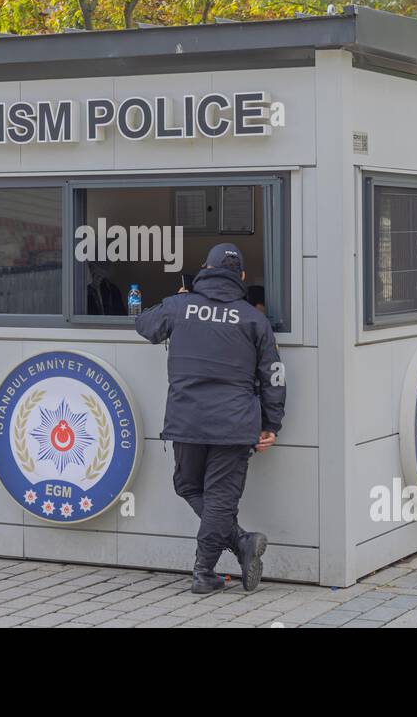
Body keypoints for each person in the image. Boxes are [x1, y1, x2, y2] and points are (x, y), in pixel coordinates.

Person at [135, 243, 286, 594]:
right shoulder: (254, 319)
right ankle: (239, 544)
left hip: (187, 420)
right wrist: (271, 424)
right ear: (242, 277)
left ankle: (206, 571)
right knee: (215, 496)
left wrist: (181, 297)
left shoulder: (179, 307)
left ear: (204, 268)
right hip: (233, 425)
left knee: (191, 486)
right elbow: (274, 375)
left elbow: (145, 325)